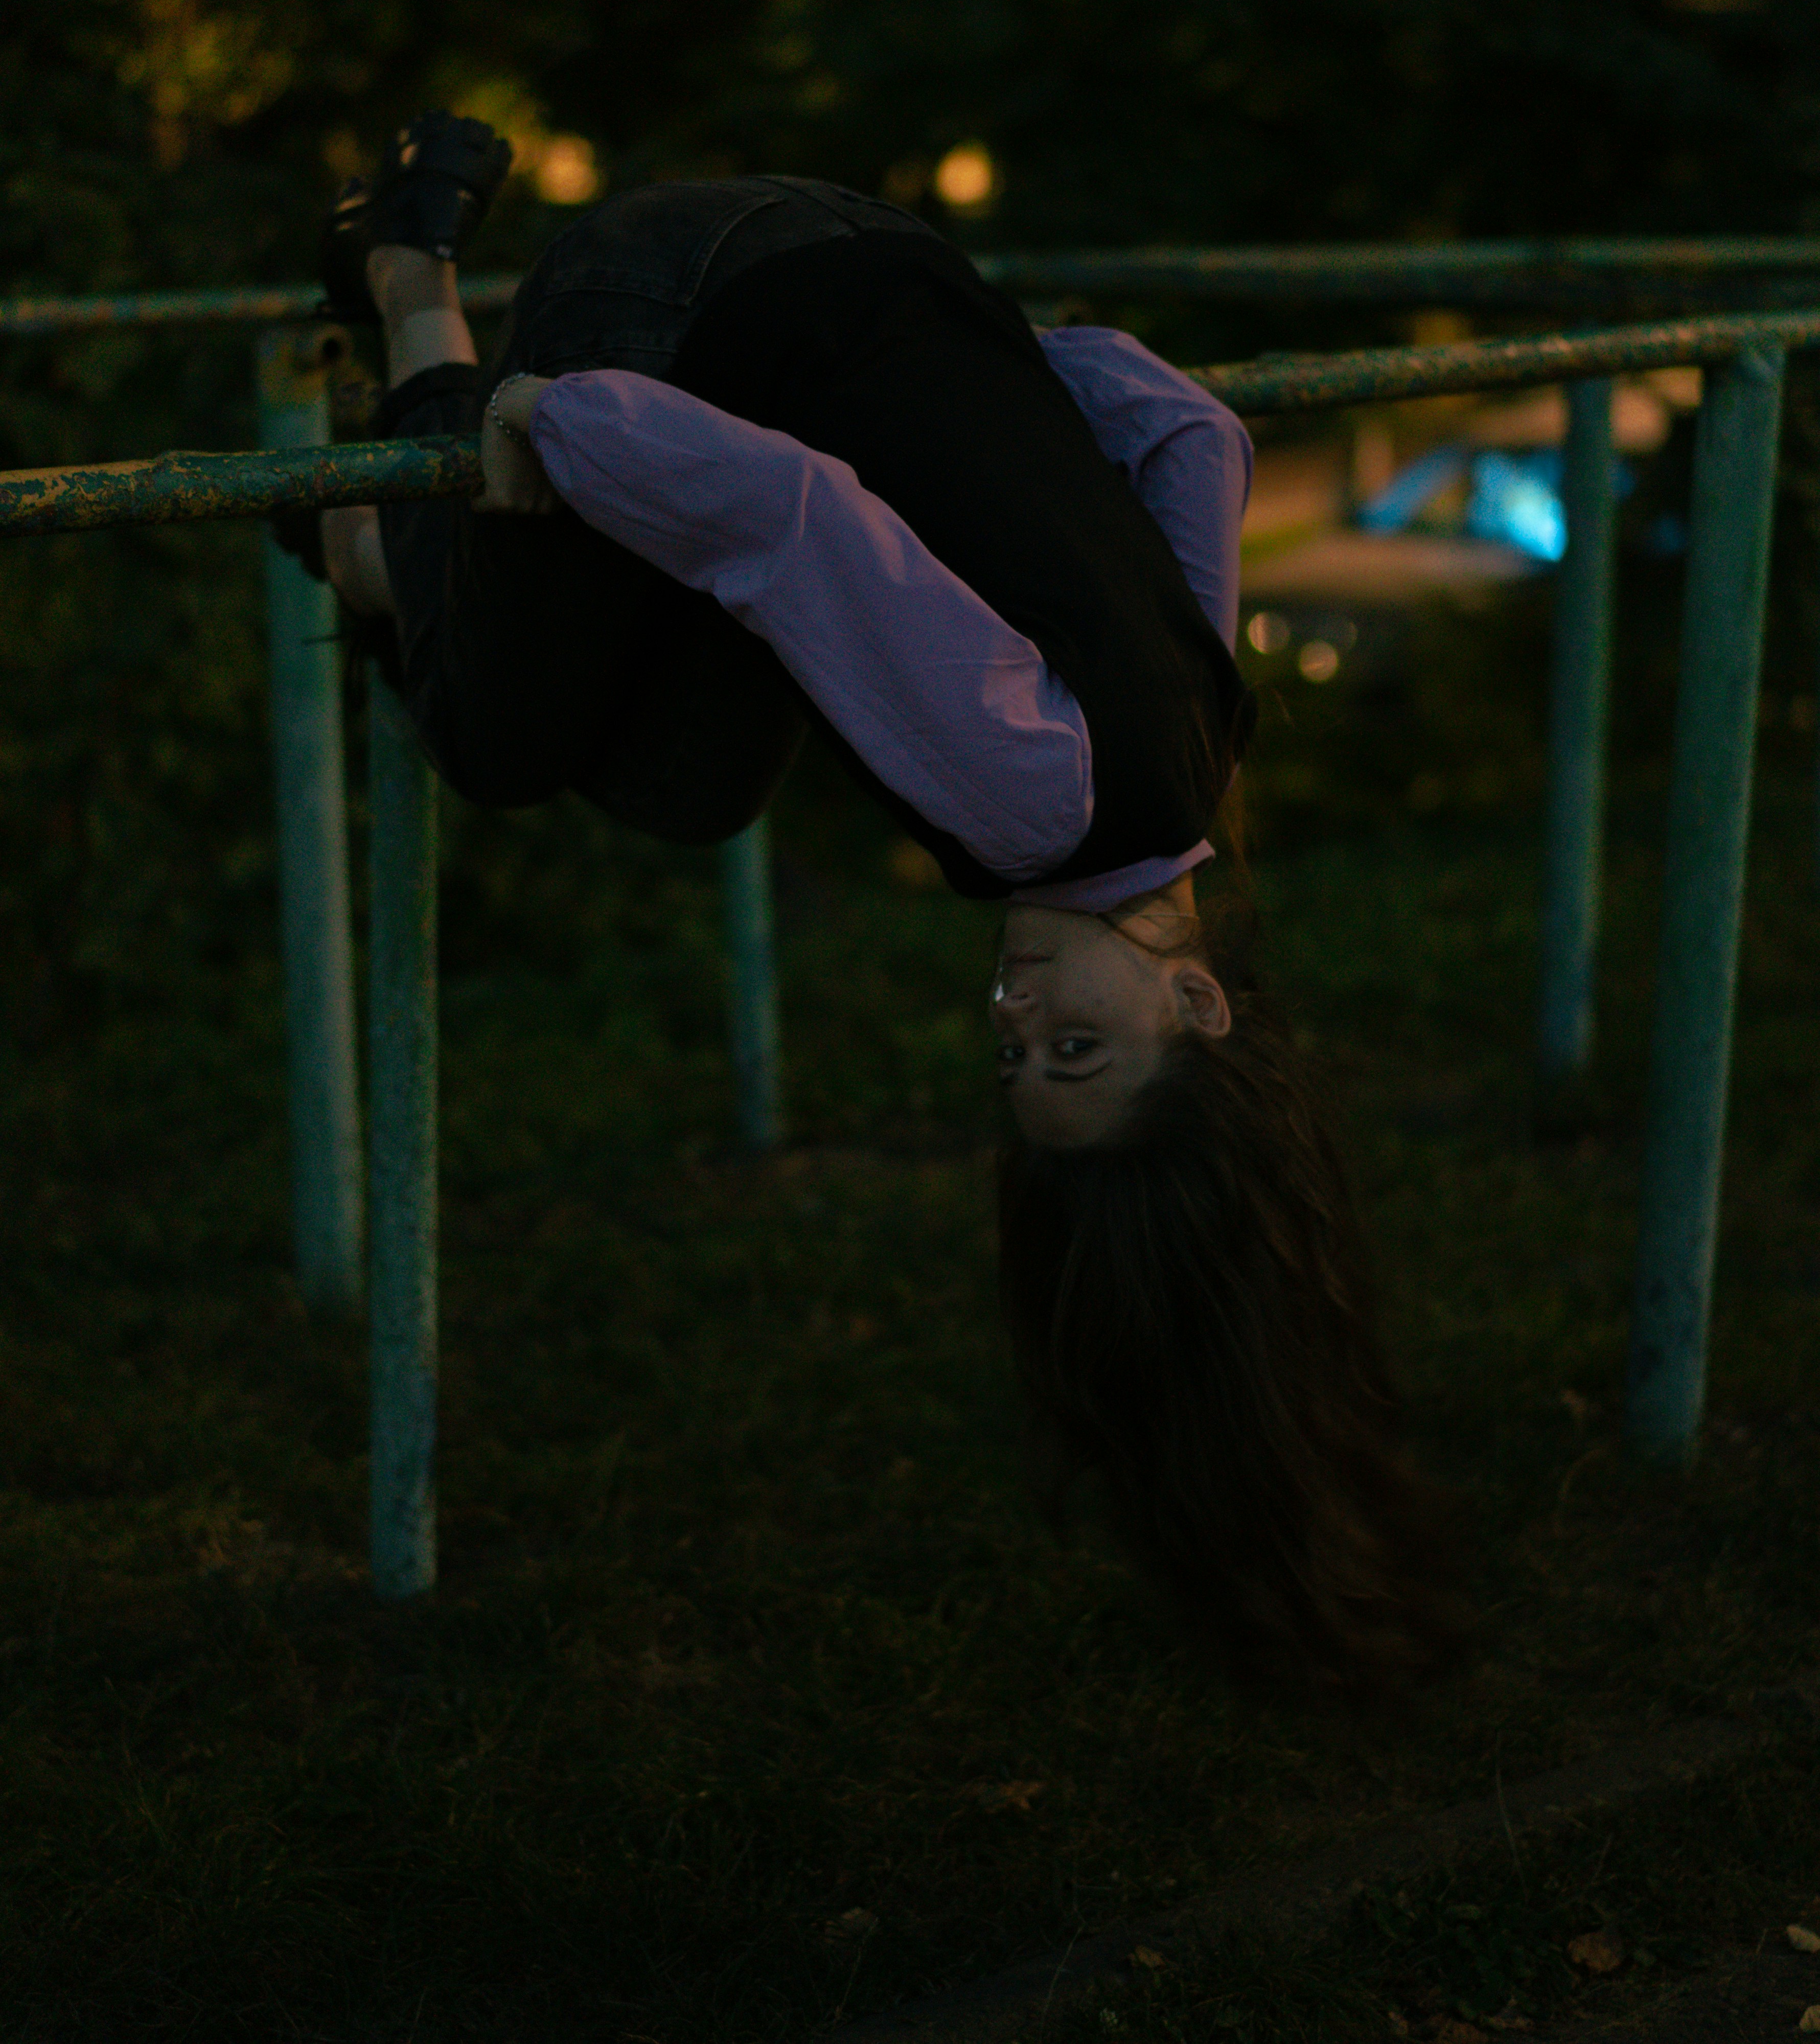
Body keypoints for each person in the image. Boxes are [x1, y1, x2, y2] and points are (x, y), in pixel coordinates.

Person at [313, 113, 1458, 1692]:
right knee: (500, 729)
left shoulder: (1203, 749)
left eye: (1010, 1061)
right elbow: (793, 517)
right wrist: (557, 419)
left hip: (868, 252)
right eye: (1074, 1051)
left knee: (696, 779)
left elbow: (1182, 428)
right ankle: (400, 297)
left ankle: (383, 561)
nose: (1014, 1017)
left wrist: (970, 401)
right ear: (1194, 1005)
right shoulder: (1027, 812)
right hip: (663, 296)